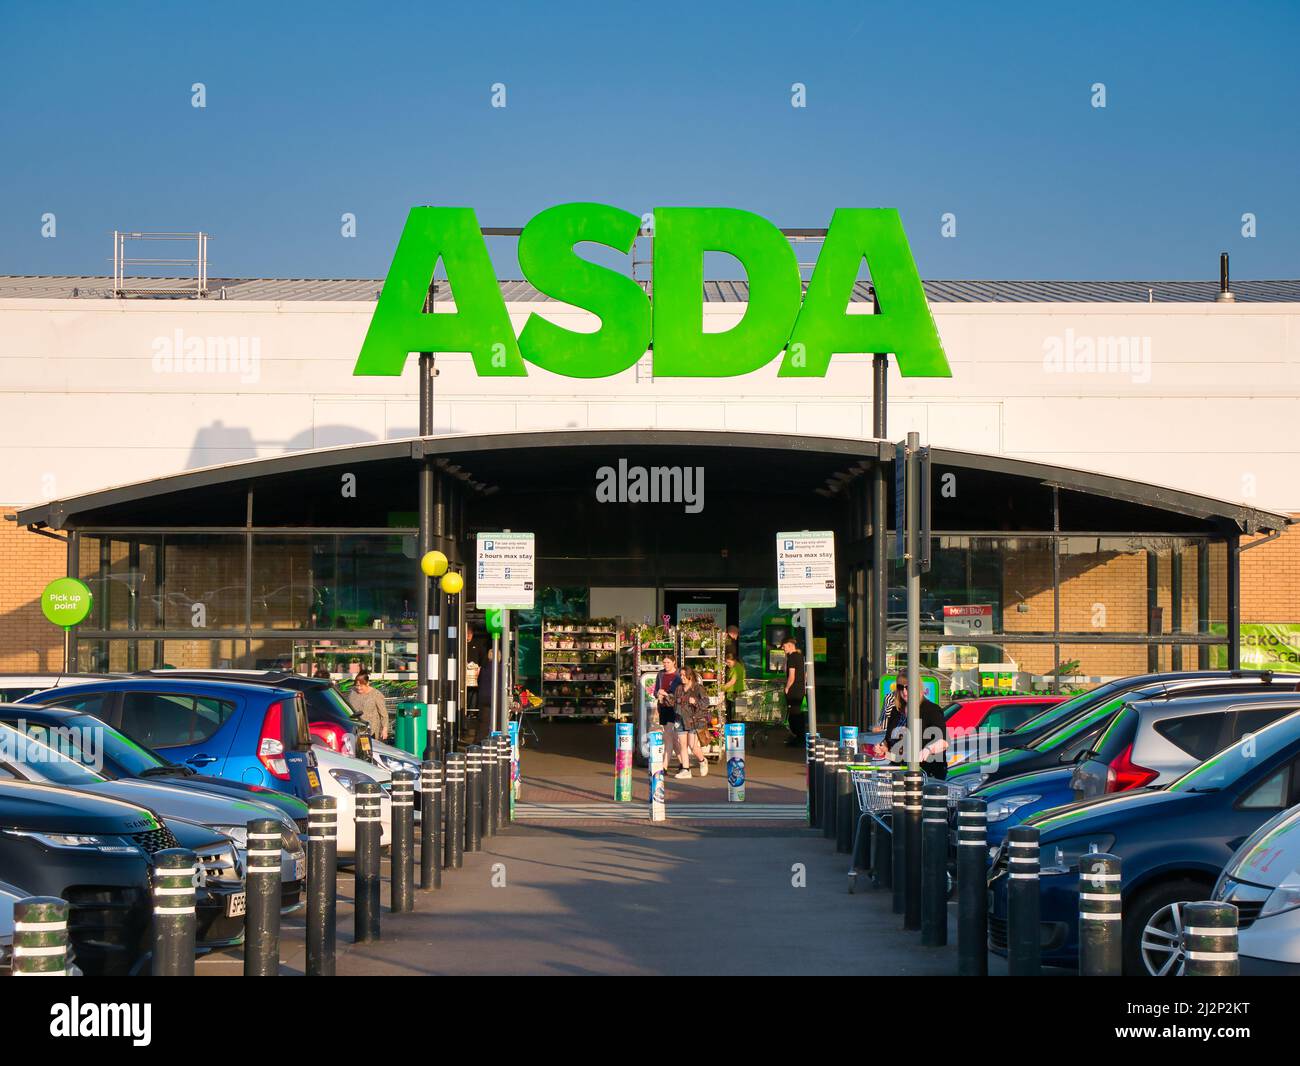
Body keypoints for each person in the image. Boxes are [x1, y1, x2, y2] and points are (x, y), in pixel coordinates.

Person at [873, 677, 948, 779]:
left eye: (908, 687)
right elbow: (888, 741)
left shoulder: (931, 709)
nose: (904, 691)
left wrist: (927, 750)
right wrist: (882, 748)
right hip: (899, 773)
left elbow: (943, 742)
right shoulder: (896, 710)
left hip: (926, 774)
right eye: (900, 687)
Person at [672, 667, 711, 779]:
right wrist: (665, 697)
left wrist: (696, 702)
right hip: (680, 719)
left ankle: (702, 761)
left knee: (692, 746)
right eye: (681, 675)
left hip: (693, 720)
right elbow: (674, 701)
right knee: (682, 745)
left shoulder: (697, 688)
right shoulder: (679, 688)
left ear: (690, 676)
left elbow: (706, 702)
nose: (682, 677)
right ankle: (686, 770)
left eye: (684, 675)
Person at [652, 654, 682, 767]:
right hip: (663, 707)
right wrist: (658, 694)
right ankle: (683, 763)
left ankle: (664, 766)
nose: (665, 665)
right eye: (664, 662)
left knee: (667, 736)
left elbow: (680, 693)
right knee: (672, 738)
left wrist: (667, 694)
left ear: (674, 662)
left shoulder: (678, 675)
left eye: (668, 662)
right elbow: (655, 691)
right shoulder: (660, 674)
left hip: (674, 708)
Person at [346, 670, 390, 742]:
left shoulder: (376, 695)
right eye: (357, 685)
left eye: (361, 685)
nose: (359, 688)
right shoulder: (353, 692)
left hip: (370, 731)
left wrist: (384, 729)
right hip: (354, 729)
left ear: (367, 683)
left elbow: (384, 714)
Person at [782, 637, 806, 745]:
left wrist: (787, 688)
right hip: (800, 688)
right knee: (797, 713)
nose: (783, 648)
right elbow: (804, 674)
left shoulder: (792, 657)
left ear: (790, 645)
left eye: (784, 646)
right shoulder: (800, 656)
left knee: (793, 715)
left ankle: (799, 737)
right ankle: (800, 736)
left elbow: (792, 676)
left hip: (794, 689)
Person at [722, 651, 746, 719]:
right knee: (736, 717)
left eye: (729, 662)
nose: (727, 664)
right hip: (734, 695)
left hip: (737, 694)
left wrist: (721, 689)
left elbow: (732, 681)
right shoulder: (734, 667)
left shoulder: (737, 668)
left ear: (734, 660)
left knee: (737, 718)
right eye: (726, 662)